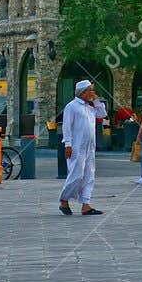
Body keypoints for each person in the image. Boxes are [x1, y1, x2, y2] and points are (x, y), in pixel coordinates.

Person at [59, 79, 104, 216]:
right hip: (76, 147)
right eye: (90, 90)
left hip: (90, 147)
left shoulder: (90, 107)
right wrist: (68, 144)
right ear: (83, 92)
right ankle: (64, 199)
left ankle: (86, 204)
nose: (92, 92)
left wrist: (96, 101)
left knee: (89, 175)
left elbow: (102, 114)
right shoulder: (71, 106)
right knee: (76, 174)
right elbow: (66, 126)